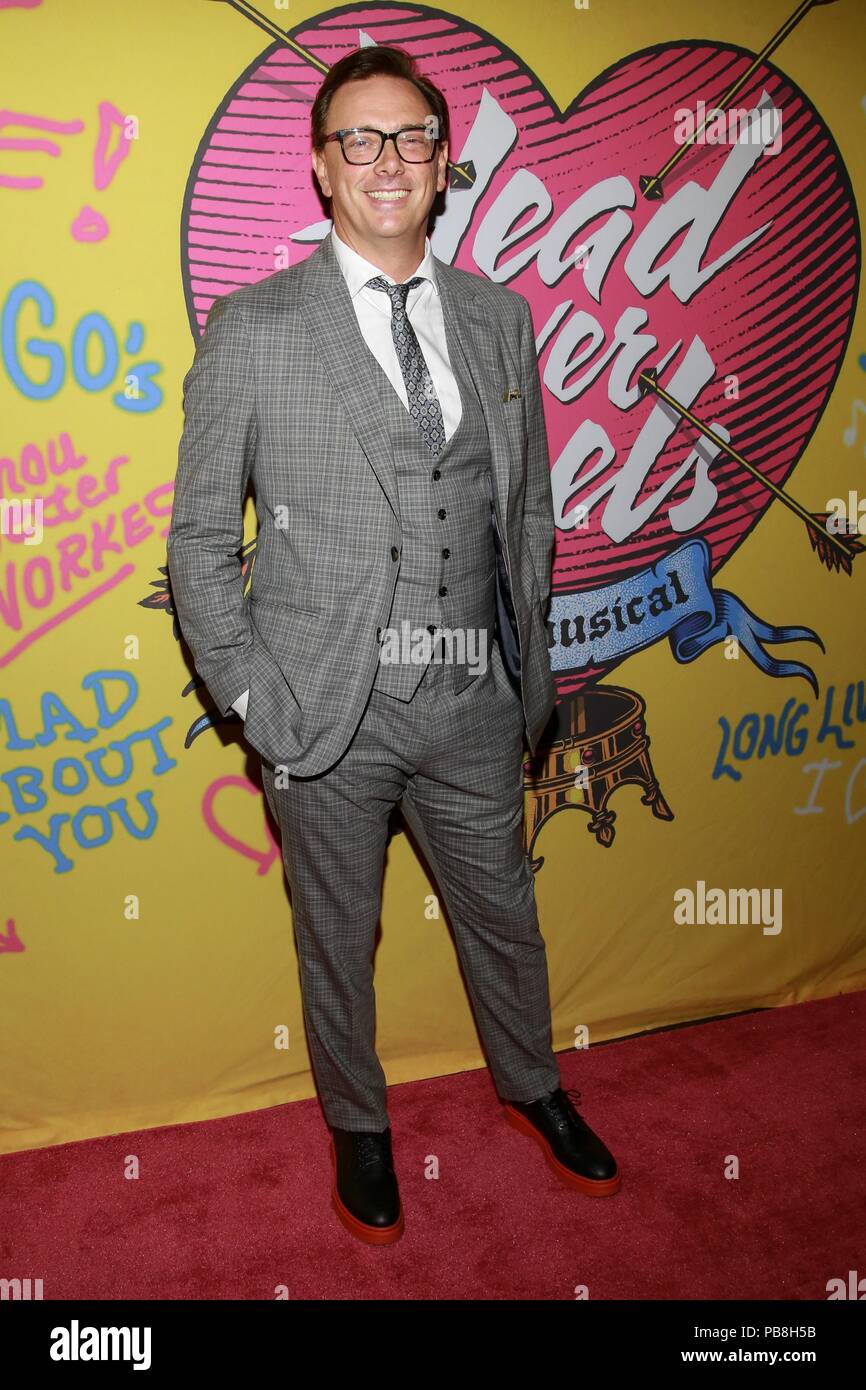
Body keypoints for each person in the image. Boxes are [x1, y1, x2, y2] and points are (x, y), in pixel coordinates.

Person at [168, 44, 619, 1245]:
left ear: (441, 161)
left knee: (505, 917)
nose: (387, 160)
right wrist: (253, 703)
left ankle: (534, 1085)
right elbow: (203, 542)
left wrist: (523, 672)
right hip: (322, 709)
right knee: (337, 936)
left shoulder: (497, 317)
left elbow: (522, 509)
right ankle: (358, 1125)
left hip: (476, 695)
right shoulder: (254, 327)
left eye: (411, 136)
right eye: (359, 139)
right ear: (322, 166)